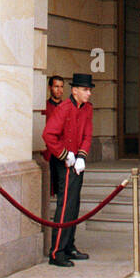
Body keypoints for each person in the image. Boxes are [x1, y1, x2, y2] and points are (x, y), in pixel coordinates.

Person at [44, 72, 94, 267]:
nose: (88, 93)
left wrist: (82, 155)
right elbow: (48, 135)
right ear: (75, 91)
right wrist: (66, 155)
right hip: (63, 162)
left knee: (73, 205)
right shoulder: (63, 108)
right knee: (64, 207)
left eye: (89, 90)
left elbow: (88, 134)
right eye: (85, 90)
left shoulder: (87, 108)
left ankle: (69, 246)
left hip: (77, 162)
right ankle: (56, 252)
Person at [43, 75, 66, 196]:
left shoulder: (67, 107)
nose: (59, 90)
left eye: (61, 87)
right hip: (49, 152)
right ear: (50, 88)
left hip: (63, 152)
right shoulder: (44, 107)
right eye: (56, 86)